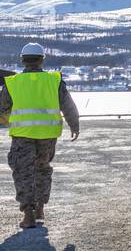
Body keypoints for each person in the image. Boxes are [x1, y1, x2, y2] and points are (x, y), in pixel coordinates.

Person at [0, 43, 80, 229]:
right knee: (42, 169)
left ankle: (28, 214)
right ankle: (40, 207)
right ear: (42, 59)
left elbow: (3, 109)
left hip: (22, 135)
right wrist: (74, 125)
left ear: (22, 60)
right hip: (47, 135)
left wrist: (7, 119)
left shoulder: (12, 83)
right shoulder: (54, 81)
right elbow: (68, 105)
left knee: (23, 172)